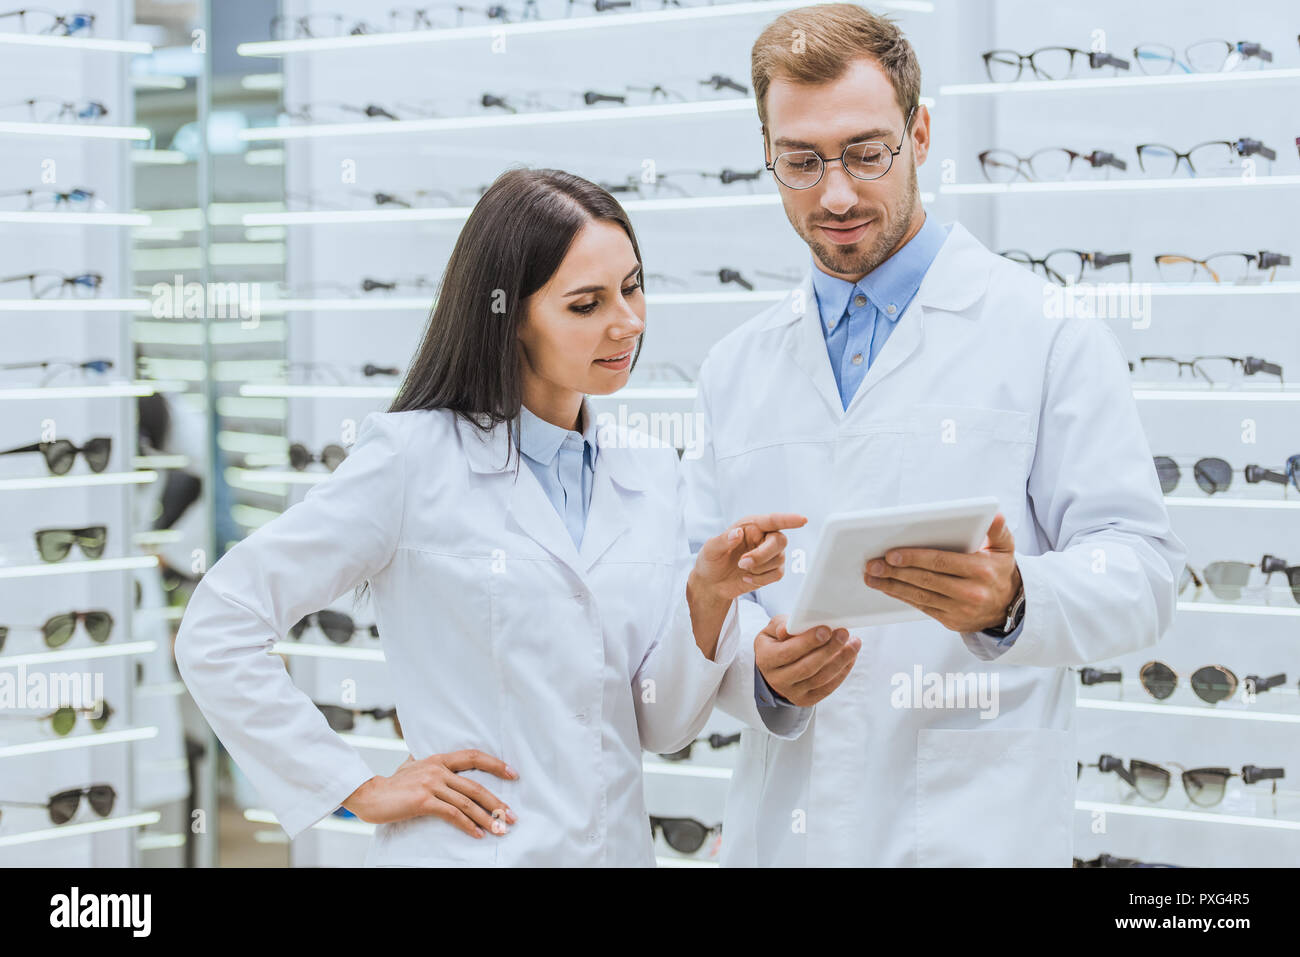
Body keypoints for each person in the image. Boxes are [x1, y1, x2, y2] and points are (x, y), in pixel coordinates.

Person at [174, 167, 805, 867]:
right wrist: (355, 786)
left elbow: (657, 724)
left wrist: (707, 598)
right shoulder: (413, 461)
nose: (627, 321)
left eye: (632, 287)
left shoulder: (650, 470)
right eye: (585, 304)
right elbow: (218, 625)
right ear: (511, 320)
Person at [681, 3, 1186, 866]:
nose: (834, 194)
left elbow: (1142, 568)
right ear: (769, 156)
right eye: (800, 162)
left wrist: (1013, 598)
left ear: (919, 133)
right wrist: (756, 672)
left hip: (972, 829)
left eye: (866, 153)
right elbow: (695, 593)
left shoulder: (1045, 331)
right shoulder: (735, 368)